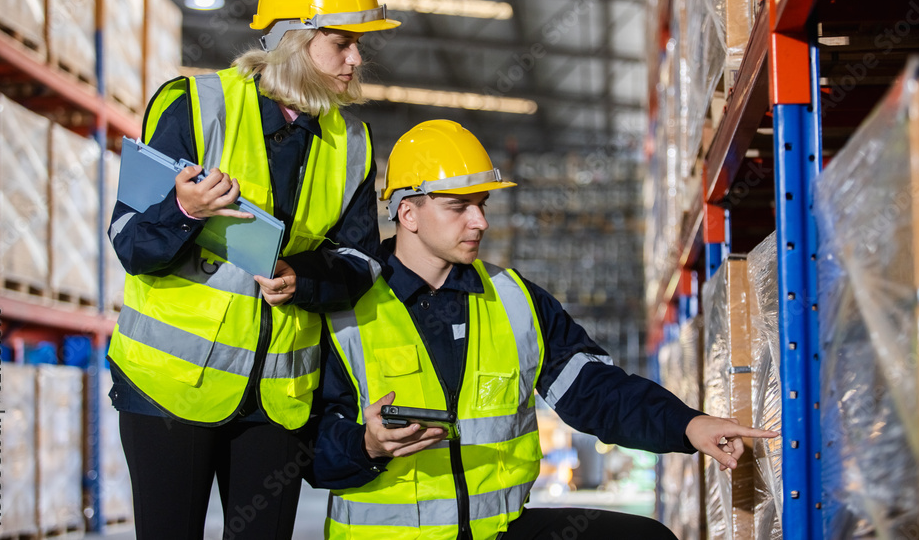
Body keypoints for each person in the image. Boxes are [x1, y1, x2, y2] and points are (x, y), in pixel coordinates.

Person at [313, 120, 778, 540]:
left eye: (482, 205)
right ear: (407, 213)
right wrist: (368, 445)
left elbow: (595, 391)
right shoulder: (345, 306)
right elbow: (307, 449)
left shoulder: (515, 299)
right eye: (459, 207)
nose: (481, 222)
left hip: (497, 531)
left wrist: (687, 424)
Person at [105, 0, 399, 540]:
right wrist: (184, 210)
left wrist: (303, 280)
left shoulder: (355, 145)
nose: (356, 58)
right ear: (294, 39)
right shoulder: (192, 106)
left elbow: (362, 263)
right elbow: (130, 243)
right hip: (167, 392)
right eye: (342, 42)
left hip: (277, 402)